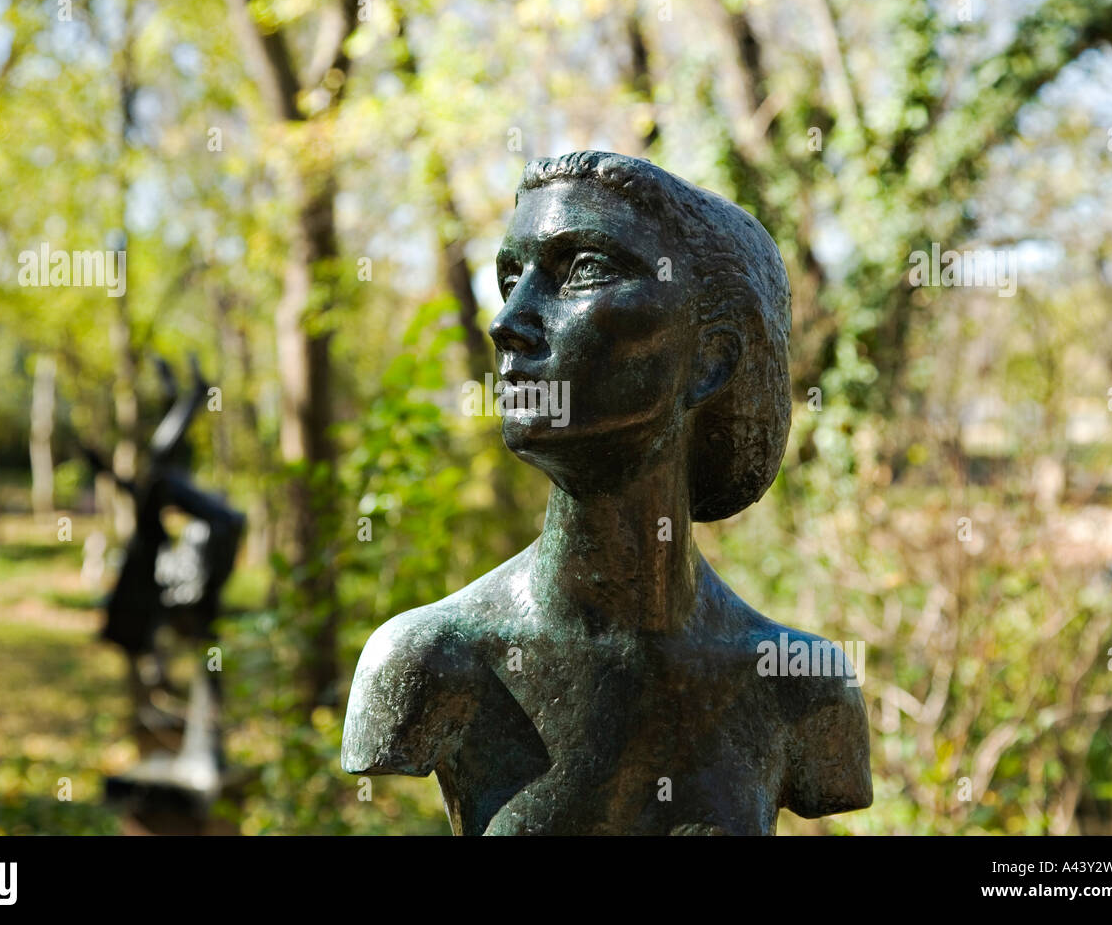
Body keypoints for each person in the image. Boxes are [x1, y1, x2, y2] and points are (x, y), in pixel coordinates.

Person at [343, 151, 871, 835]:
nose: (509, 321)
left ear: (711, 359)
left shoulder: (800, 685)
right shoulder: (433, 660)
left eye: (584, 270)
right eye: (510, 276)